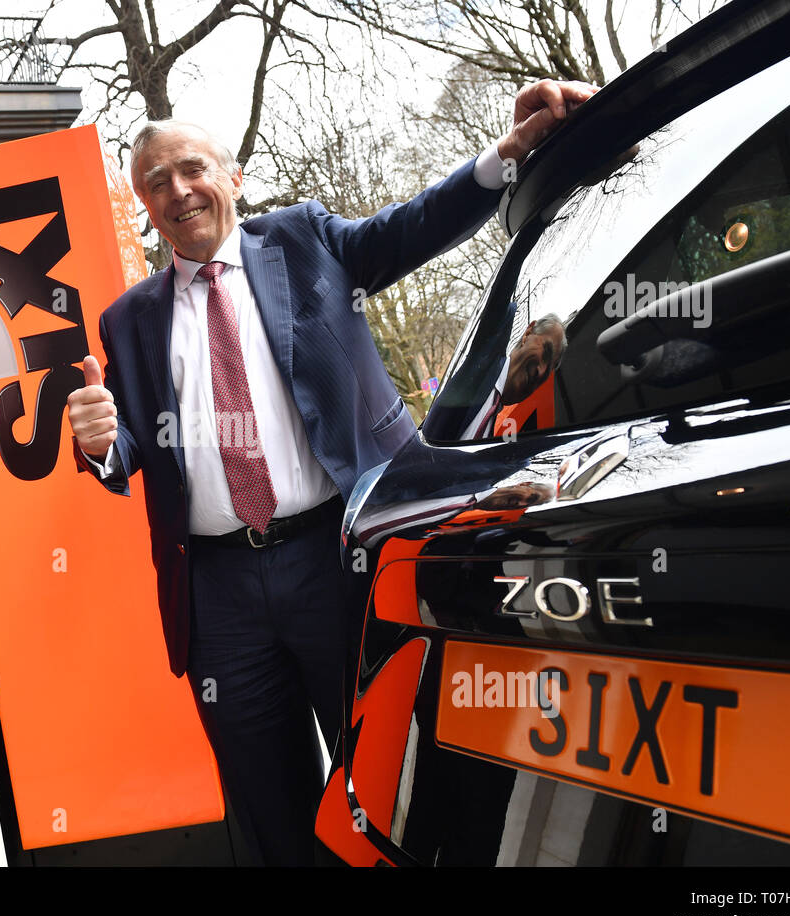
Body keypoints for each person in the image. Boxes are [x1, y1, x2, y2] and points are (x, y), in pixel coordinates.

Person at [67, 79, 596, 864]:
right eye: (155, 183)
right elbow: (138, 447)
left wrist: (506, 154)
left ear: (232, 176)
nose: (177, 191)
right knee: (269, 803)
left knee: (393, 780)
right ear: (143, 203)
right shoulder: (129, 319)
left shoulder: (305, 243)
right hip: (218, 599)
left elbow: (412, 227)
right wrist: (101, 443)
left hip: (340, 560)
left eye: (192, 168)